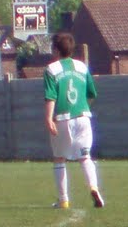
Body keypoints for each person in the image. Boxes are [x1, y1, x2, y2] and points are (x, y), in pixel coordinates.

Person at [42, 31, 104, 209]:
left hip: (63, 118)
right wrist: (83, 107)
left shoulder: (51, 70)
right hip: (83, 117)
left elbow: (51, 96)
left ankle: (63, 200)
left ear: (55, 49)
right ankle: (93, 187)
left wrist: (48, 118)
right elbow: (92, 94)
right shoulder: (82, 67)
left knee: (59, 159)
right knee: (85, 157)